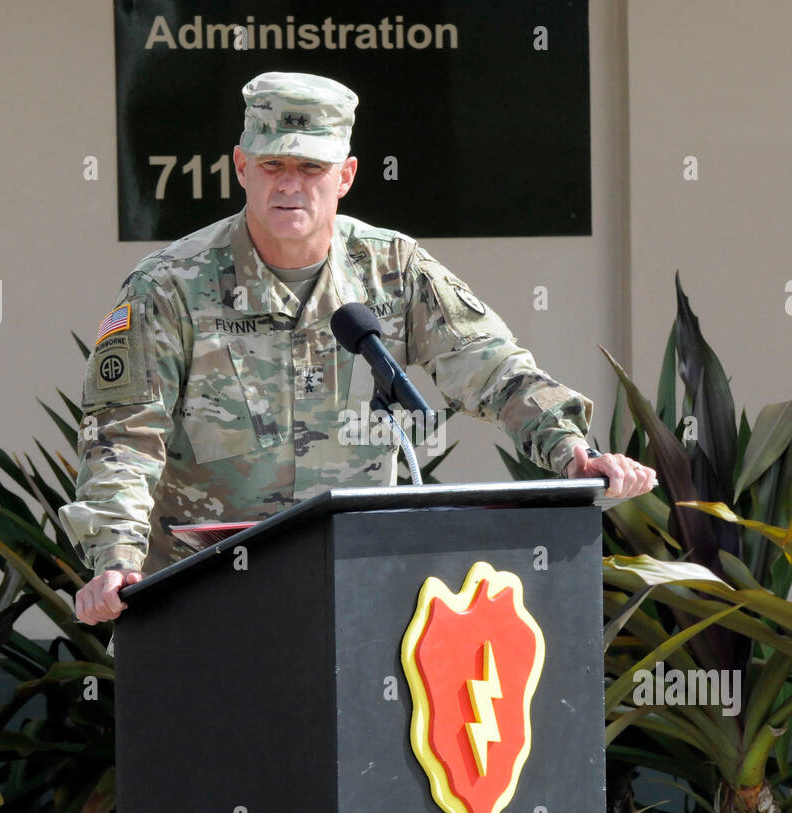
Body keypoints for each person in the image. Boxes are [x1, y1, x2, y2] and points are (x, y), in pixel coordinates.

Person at [60, 72, 657, 625]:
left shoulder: (391, 268)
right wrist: (115, 558)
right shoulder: (169, 286)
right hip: (203, 596)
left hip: (355, 597)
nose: (290, 184)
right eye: (272, 164)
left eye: (311, 167)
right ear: (241, 167)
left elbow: (494, 367)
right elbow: (124, 434)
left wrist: (572, 452)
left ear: (345, 176)